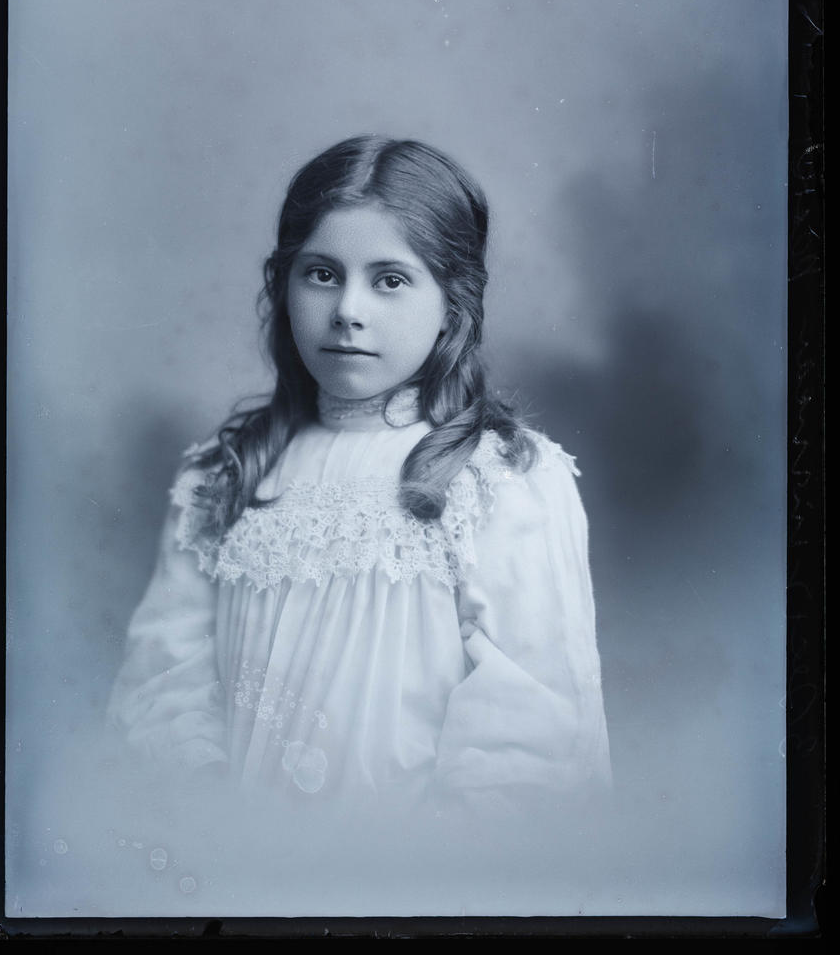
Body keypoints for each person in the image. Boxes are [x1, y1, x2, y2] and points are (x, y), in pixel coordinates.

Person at [107, 136, 611, 811]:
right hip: (246, 871)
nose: (348, 309)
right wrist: (218, 821)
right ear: (282, 287)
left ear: (452, 306)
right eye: (321, 273)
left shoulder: (500, 479)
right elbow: (162, 684)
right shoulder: (222, 478)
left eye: (390, 280)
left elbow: (532, 732)